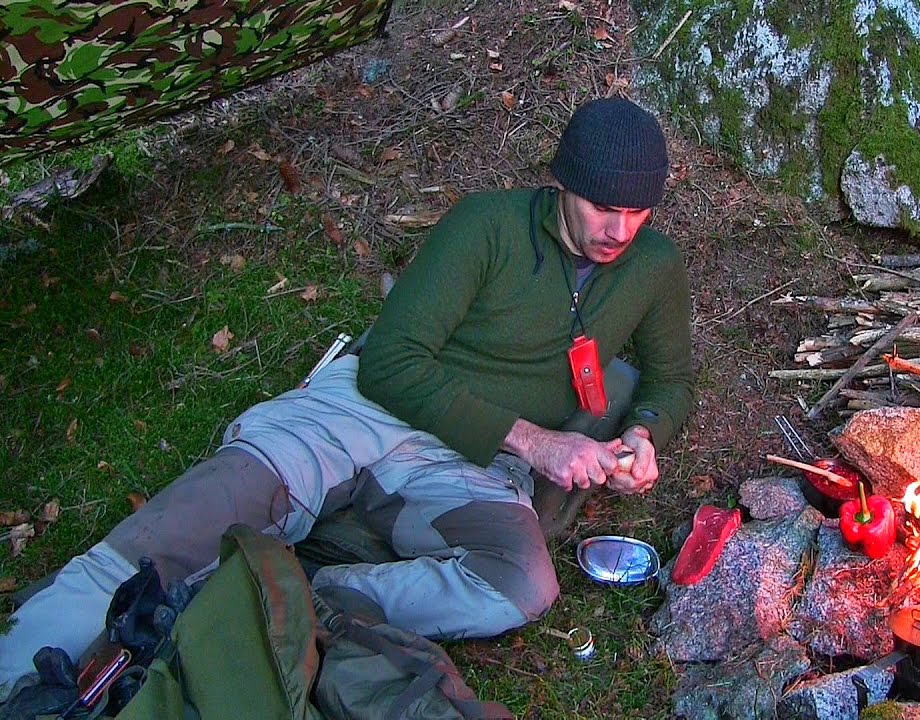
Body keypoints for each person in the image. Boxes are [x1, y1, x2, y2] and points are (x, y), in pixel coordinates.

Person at [0, 96, 694, 695]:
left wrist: (644, 435)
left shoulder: (653, 266)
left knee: (522, 585)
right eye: (604, 208)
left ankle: (302, 600)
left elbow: (670, 381)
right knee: (184, 529)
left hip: (469, 462)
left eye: (638, 212)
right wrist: (537, 441)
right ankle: (22, 660)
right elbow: (389, 365)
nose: (620, 232)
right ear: (564, 184)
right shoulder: (486, 226)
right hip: (364, 412)